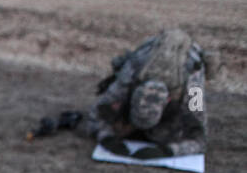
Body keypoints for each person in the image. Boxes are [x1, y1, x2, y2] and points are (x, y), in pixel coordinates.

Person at [85, 28, 210, 159]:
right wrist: (107, 139)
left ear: (168, 101)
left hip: (183, 77)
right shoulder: (130, 74)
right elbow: (96, 115)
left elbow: (200, 139)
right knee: (118, 126)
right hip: (146, 56)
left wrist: (168, 151)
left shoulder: (193, 86)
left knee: (165, 135)